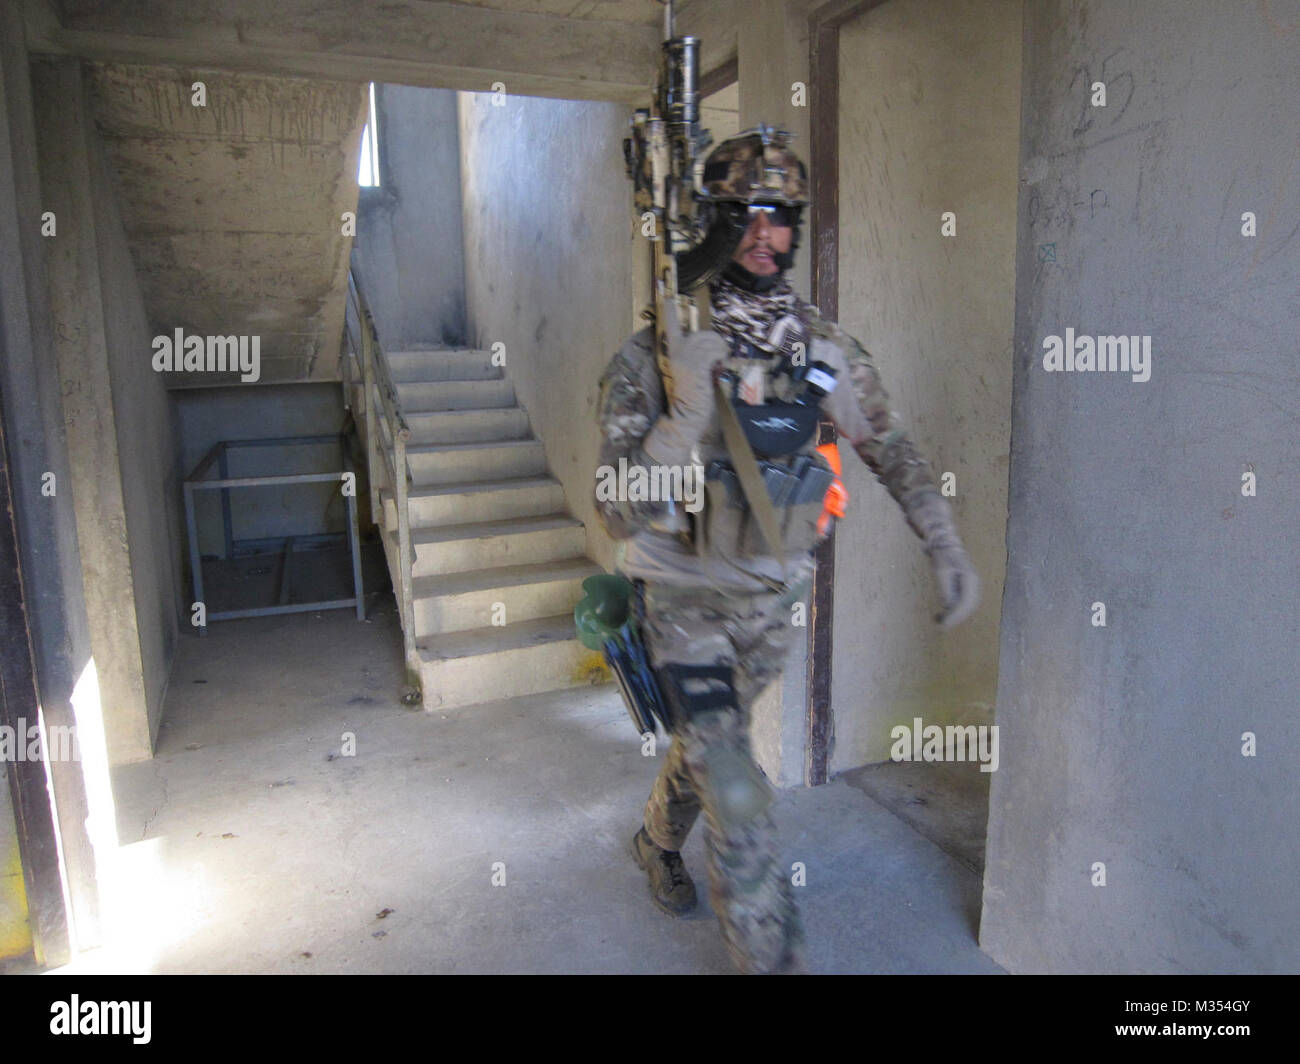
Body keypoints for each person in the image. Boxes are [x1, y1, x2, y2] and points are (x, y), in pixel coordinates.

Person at [595, 126, 980, 974]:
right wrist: (683, 414)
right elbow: (621, 512)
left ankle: (655, 839)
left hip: (774, 601)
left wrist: (942, 538)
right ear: (715, 224)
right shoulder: (657, 353)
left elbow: (891, 444)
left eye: (780, 216)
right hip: (685, 601)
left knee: (709, 750)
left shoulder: (823, 345)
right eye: (745, 215)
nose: (765, 234)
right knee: (736, 784)